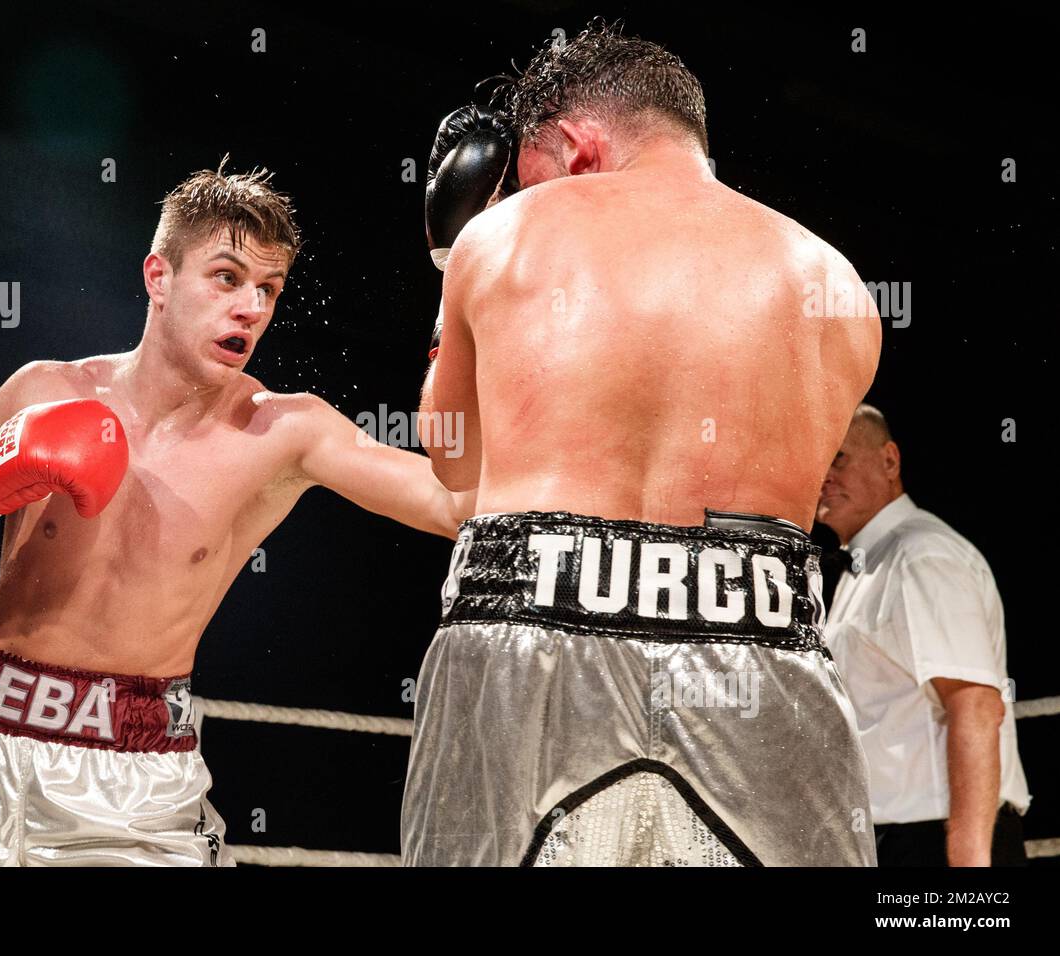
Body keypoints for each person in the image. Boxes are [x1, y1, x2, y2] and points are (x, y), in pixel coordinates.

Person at [0, 161, 469, 866]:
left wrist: (463, 293)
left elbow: (454, 503)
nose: (251, 307)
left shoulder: (284, 431)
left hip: (134, 785)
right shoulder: (47, 389)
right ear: (159, 277)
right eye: (227, 278)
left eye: (268, 290)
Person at [403, 20, 881, 866]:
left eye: (527, 172)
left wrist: (452, 279)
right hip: (763, 646)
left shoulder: (502, 237)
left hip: (533, 636)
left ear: (574, 146)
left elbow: (453, 461)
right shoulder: (834, 283)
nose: (525, 193)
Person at [818, 404, 1030, 866]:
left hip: (934, 841)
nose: (824, 476)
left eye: (838, 458)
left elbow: (974, 705)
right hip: (899, 838)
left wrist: (969, 868)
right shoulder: (870, 563)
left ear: (890, 461)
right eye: (817, 462)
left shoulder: (920, 556)